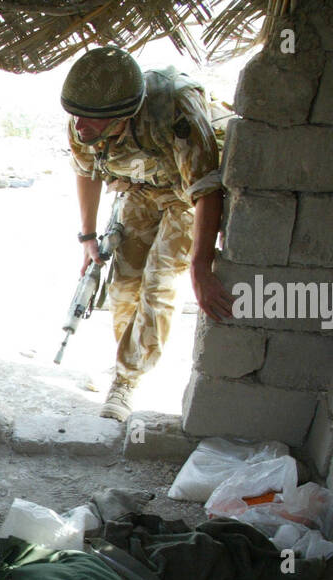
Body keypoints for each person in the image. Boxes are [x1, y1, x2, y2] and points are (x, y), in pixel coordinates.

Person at [62, 46, 234, 422]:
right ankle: (128, 359)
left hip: (185, 197)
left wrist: (201, 267)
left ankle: (126, 379)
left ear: (123, 115)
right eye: (75, 116)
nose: (79, 126)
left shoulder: (175, 108)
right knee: (124, 286)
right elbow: (87, 171)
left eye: (89, 121)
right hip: (139, 190)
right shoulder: (85, 114)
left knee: (158, 284)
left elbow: (207, 188)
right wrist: (88, 238)